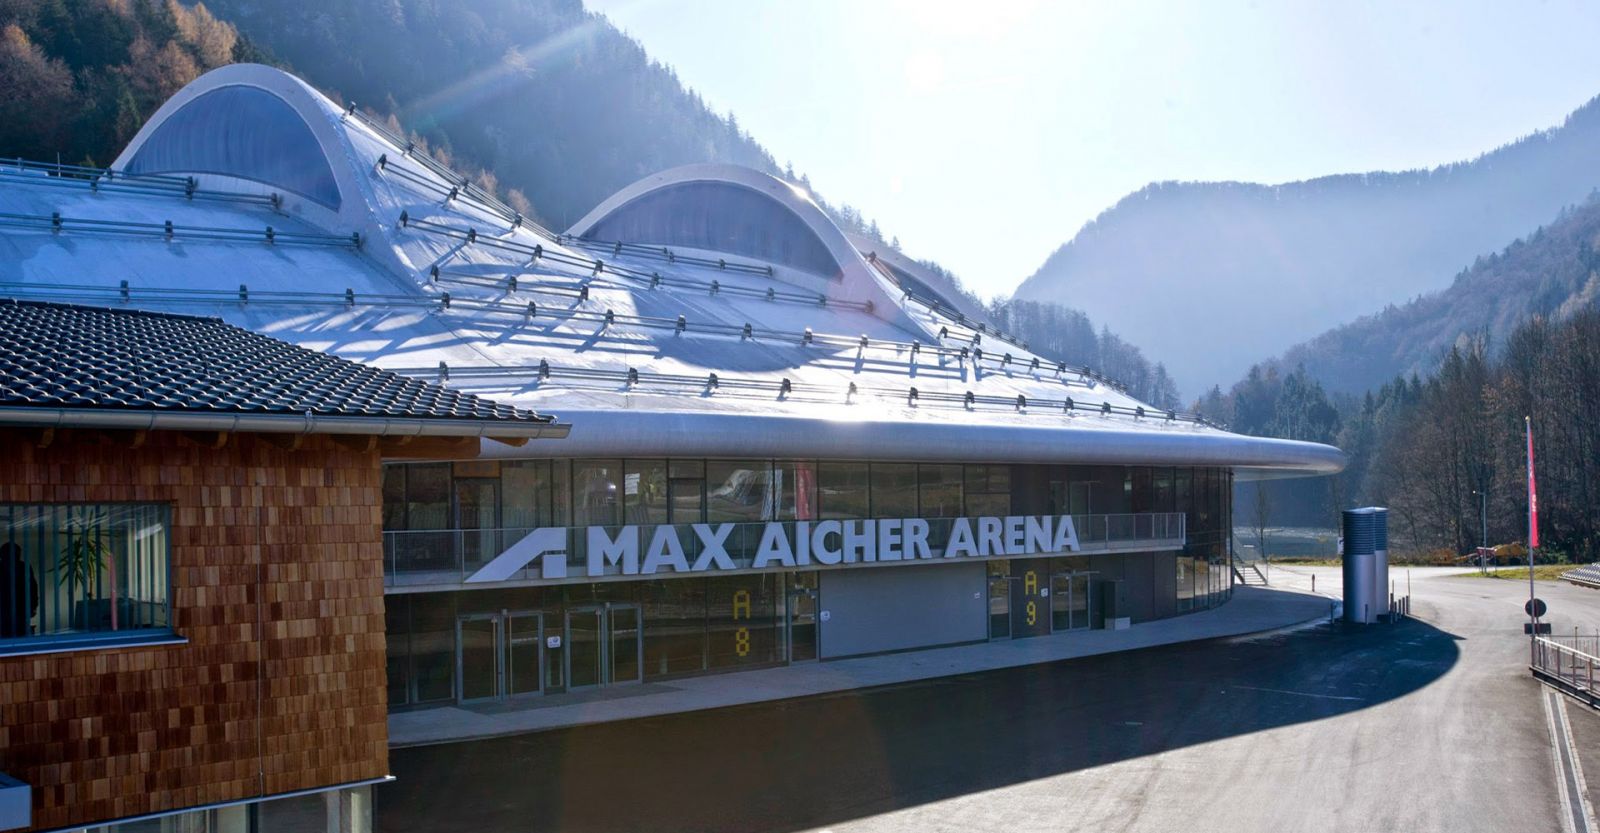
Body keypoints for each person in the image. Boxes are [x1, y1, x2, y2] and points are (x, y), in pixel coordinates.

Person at [0, 541, 39, 638]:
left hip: (21, 610)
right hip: (5, 611)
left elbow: (33, 587)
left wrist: (33, 606)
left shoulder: (24, 567)